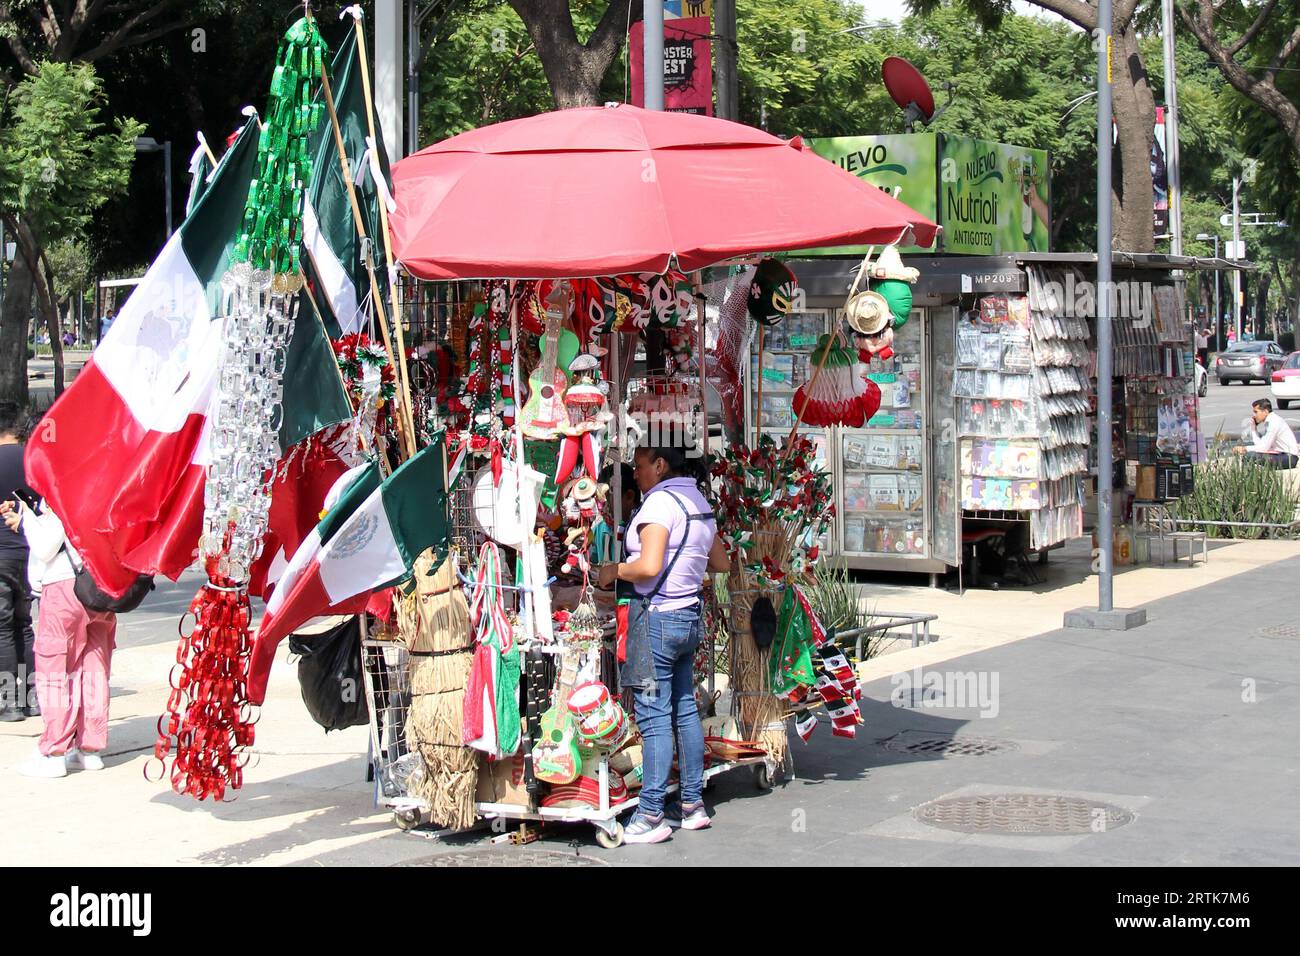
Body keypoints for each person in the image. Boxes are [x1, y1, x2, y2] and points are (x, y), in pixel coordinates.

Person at [596, 446, 729, 844]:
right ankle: (692, 804)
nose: (634, 474)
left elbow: (648, 567)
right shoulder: (697, 501)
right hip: (688, 619)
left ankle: (651, 812)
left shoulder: (659, 505)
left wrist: (612, 571)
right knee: (684, 708)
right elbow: (720, 561)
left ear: (660, 465)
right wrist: (686, 566)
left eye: (638, 467)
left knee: (654, 718)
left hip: (656, 622)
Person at [1, 497, 117, 777]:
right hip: (103, 587)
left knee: (54, 669)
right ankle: (90, 748)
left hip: (64, 584)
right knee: (95, 669)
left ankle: (54, 750)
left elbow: (45, 547)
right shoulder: (110, 484)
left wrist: (28, 518)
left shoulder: (63, 486)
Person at [0, 401, 36, 720]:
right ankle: (31, 698)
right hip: (30, 552)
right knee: (24, 624)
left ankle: (9, 703)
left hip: (0, 555)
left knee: (1, 627)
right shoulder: (34, 460)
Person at [1235, 398, 1299, 468]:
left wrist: (1245, 448)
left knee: (1249, 456)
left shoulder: (1274, 422)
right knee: (1250, 456)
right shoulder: (1269, 421)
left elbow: (1263, 448)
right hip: (1282, 455)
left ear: (1265, 411)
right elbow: (1260, 445)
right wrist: (1253, 428)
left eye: (1256, 412)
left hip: (1288, 458)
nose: (1254, 415)